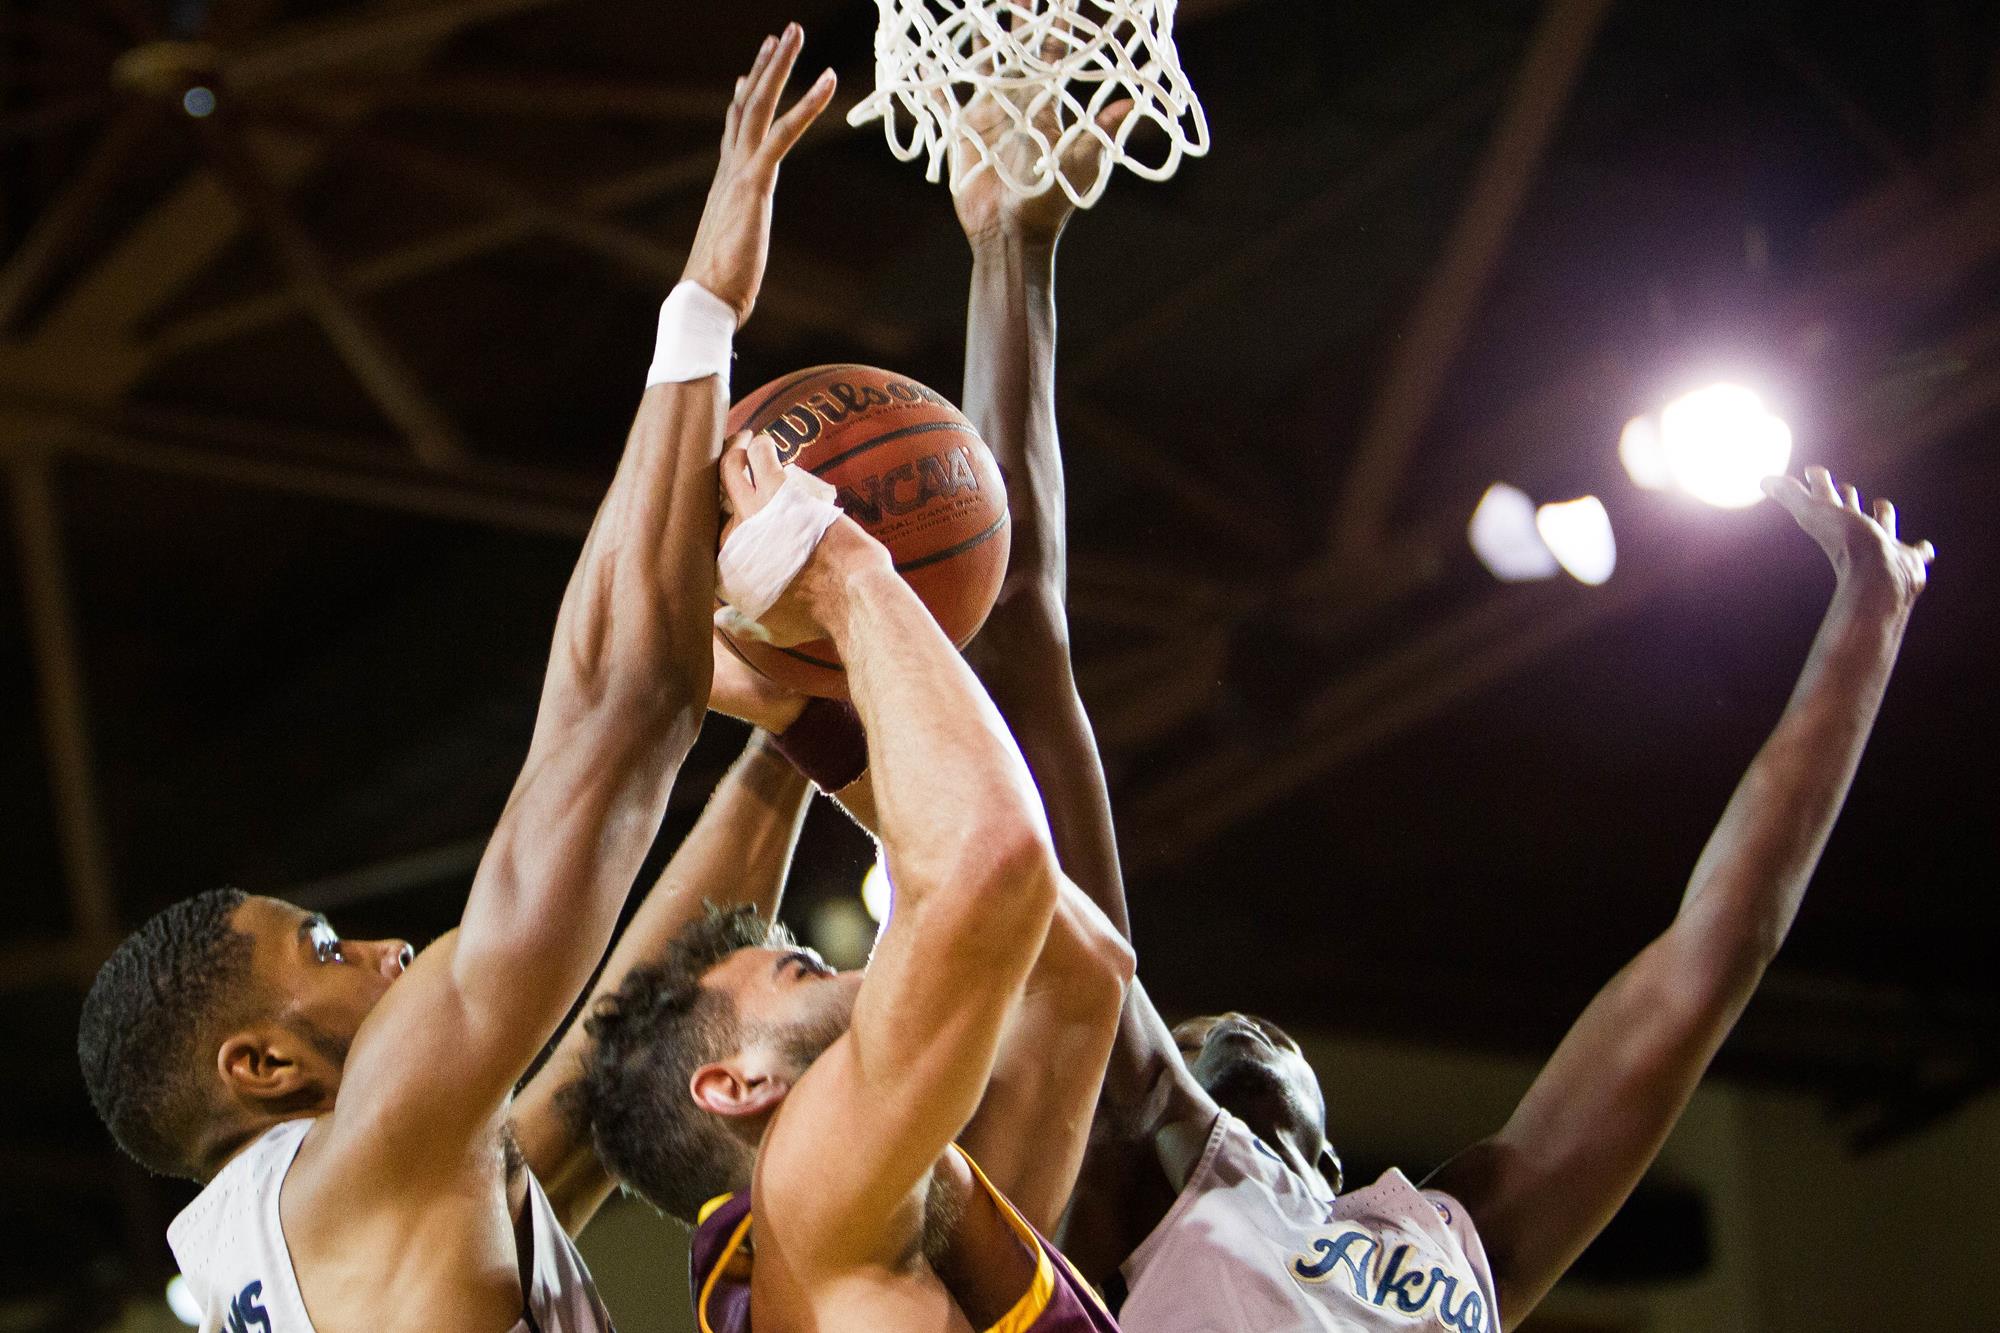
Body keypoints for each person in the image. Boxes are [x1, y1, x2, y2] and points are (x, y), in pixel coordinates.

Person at [72, 28, 836, 1330]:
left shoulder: (327, 1225)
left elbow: (611, 1062)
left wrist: (799, 737)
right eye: (319, 947)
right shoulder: (361, 1159)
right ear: (258, 1063)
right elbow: (607, 730)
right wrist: (700, 313)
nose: (381, 945)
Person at [1054, 465, 1934, 1332]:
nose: (1229, 1026)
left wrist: (1872, 612)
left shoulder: (1450, 1245)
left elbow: (1708, 958)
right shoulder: (1147, 1190)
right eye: (1189, 1041)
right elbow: (1037, 703)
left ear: (1330, 1162)